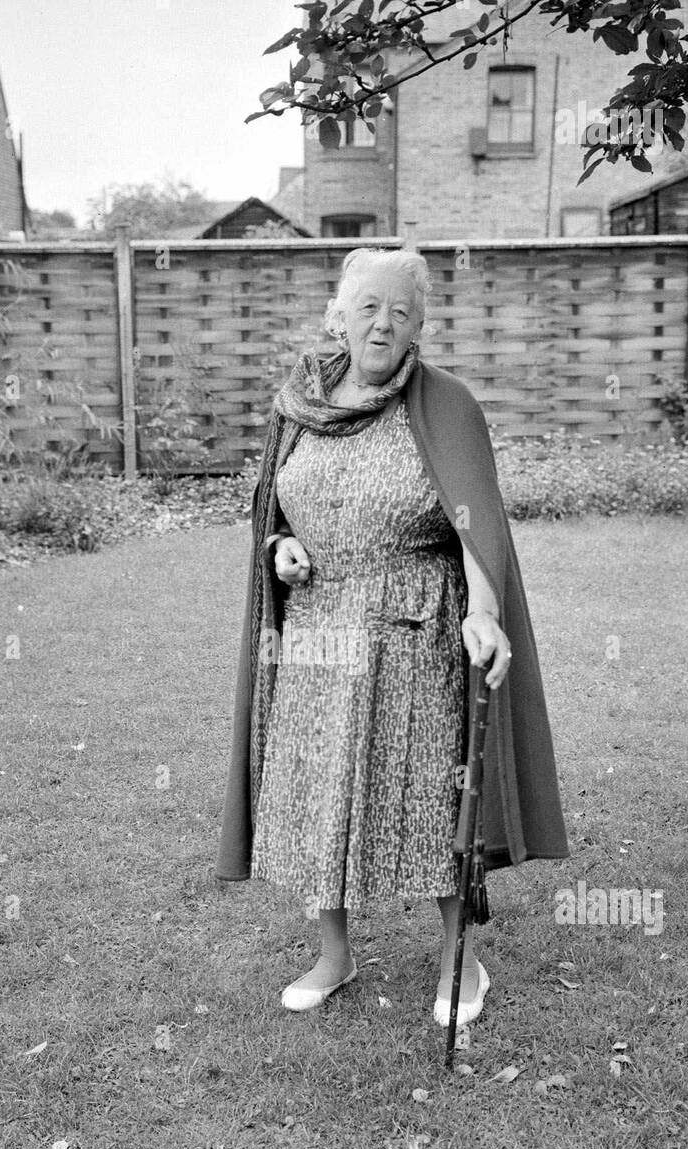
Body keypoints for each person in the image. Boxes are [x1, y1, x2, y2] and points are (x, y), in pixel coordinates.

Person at [216, 247, 568, 1026]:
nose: (385, 322)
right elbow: (271, 511)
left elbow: (480, 526)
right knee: (321, 798)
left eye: (402, 312)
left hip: (414, 628)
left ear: (420, 327)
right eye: (369, 306)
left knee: (431, 802)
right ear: (337, 314)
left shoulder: (445, 405)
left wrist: (483, 611)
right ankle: (334, 955)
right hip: (317, 631)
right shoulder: (297, 403)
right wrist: (281, 549)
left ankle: (461, 965)